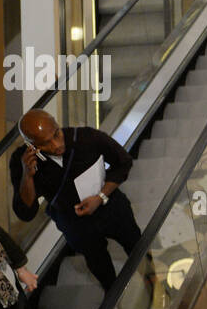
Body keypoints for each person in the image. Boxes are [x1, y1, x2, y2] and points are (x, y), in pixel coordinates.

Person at [10, 110, 142, 291]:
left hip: (112, 208)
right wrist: (28, 175)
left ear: (57, 125)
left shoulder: (86, 137)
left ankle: (153, 281)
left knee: (137, 246)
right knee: (99, 265)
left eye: (56, 134)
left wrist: (100, 196)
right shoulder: (22, 161)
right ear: (31, 146)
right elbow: (25, 212)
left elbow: (123, 162)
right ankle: (113, 299)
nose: (56, 145)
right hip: (75, 224)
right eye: (45, 143)